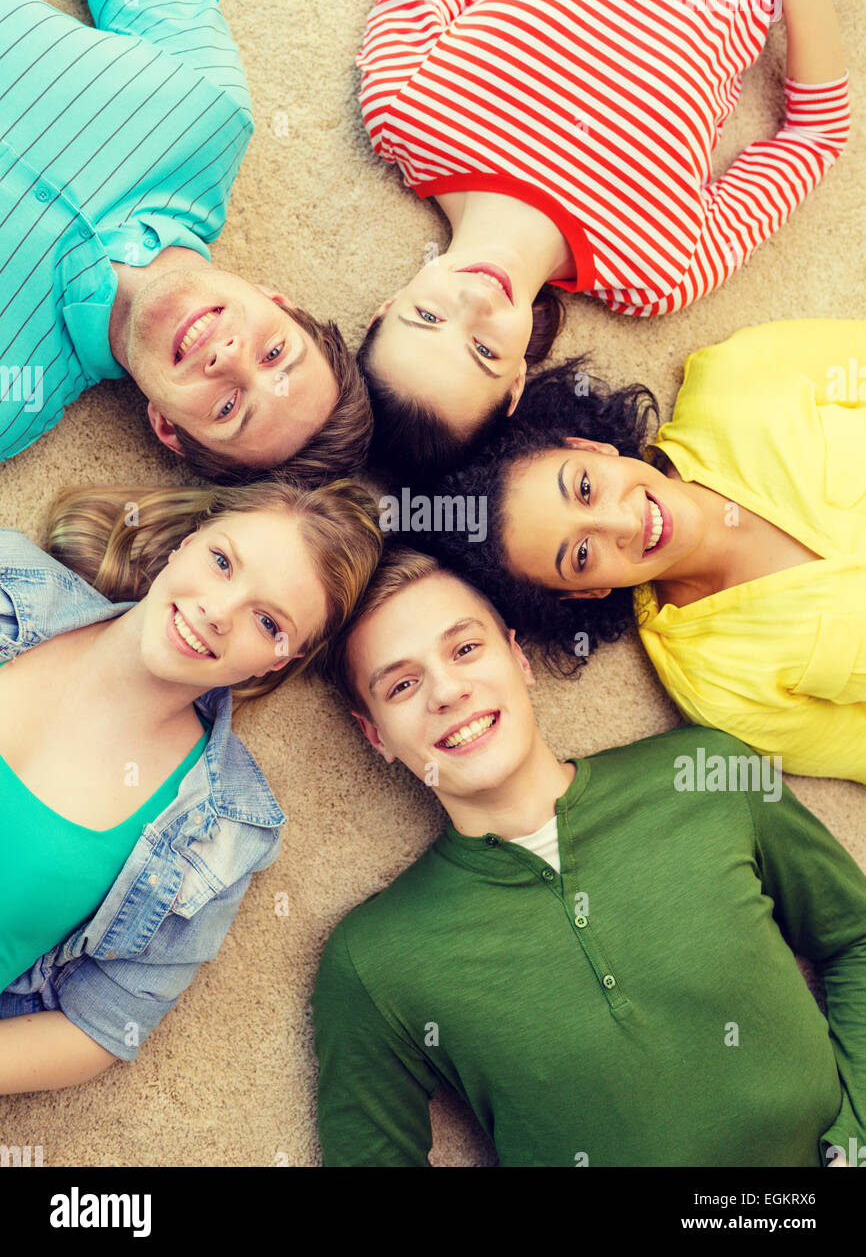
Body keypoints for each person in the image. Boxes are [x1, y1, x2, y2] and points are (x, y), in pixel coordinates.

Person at [312, 551, 866, 1166]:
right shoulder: (372, 959)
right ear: (376, 735)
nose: (448, 691)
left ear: (518, 657)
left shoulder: (706, 775)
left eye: (465, 649)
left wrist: (857, 1134)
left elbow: (856, 935)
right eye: (403, 685)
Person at [354, 0, 858, 479]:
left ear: (387, 306)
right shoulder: (654, 270)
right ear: (516, 382)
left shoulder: (403, 112)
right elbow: (816, 133)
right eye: (483, 351)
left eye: (428, 317)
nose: (475, 301)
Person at [0, 476, 381, 1091]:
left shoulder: (221, 831)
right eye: (223, 561)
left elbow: (99, 1027)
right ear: (189, 540)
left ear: (278, 661)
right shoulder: (8, 579)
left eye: (267, 621)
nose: (217, 611)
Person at [0, 0, 372, 481]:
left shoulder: (13, 402)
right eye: (275, 351)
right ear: (277, 301)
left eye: (229, 408)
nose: (229, 358)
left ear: (168, 428)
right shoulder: (209, 110)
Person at [429, 317, 866, 784]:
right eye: (581, 555)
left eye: (584, 487)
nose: (624, 522)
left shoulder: (739, 377)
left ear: (593, 448)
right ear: (589, 592)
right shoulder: (716, 686)